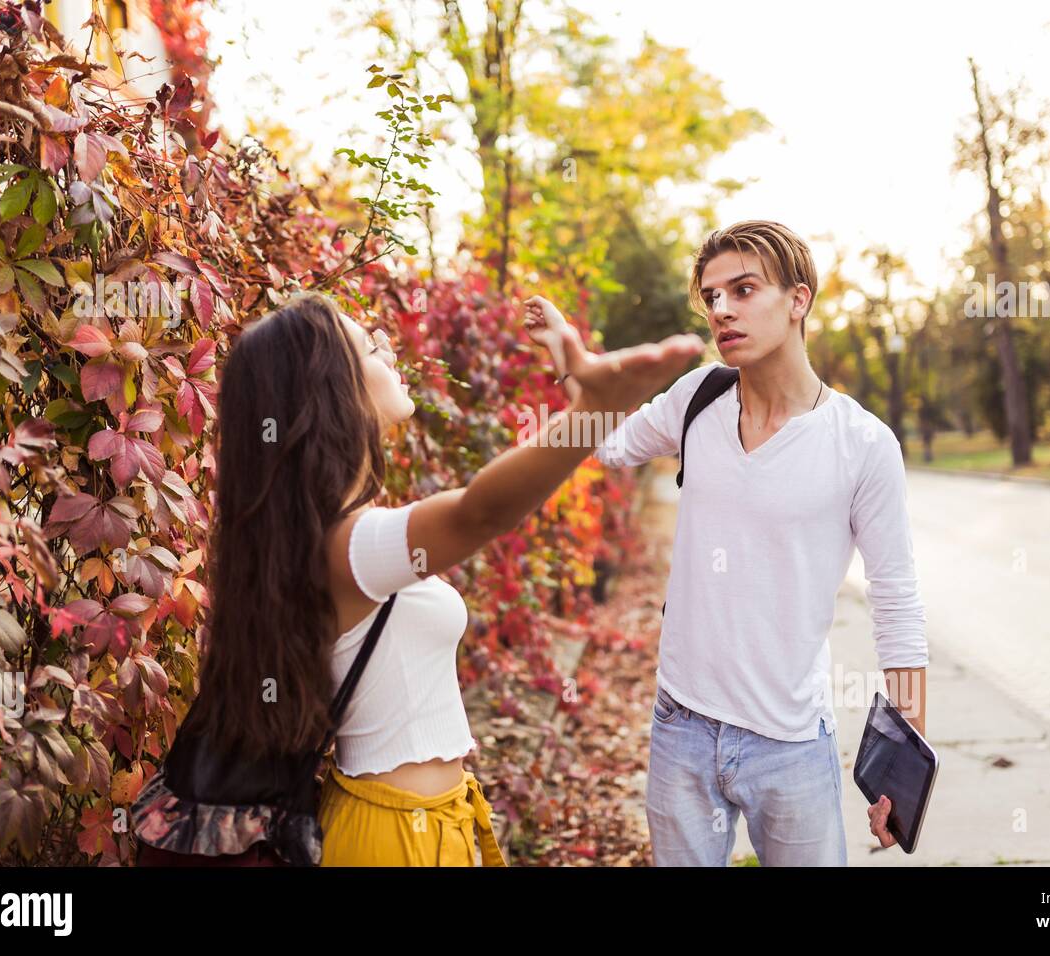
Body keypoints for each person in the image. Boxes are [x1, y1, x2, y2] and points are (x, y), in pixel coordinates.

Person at [131, 291, 703, 866]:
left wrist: (577, 384)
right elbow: (479, 512)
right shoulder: (349, 548)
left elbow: (498, 488)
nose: (391, 348)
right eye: (370, 346)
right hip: (393, 837)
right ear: (330, 388)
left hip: (423, 821)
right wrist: (590, 414)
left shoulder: (330, 538)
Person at [523, 220, 929, 865]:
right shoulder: (698, 397)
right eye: (712, 297)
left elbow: (898, 603)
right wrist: (570, 363)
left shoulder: (863, 444)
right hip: (680, 726)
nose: (722, 310)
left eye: (743, 289)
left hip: (791, 742)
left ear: (798, 300)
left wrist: (907, 762)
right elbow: (605, 443)